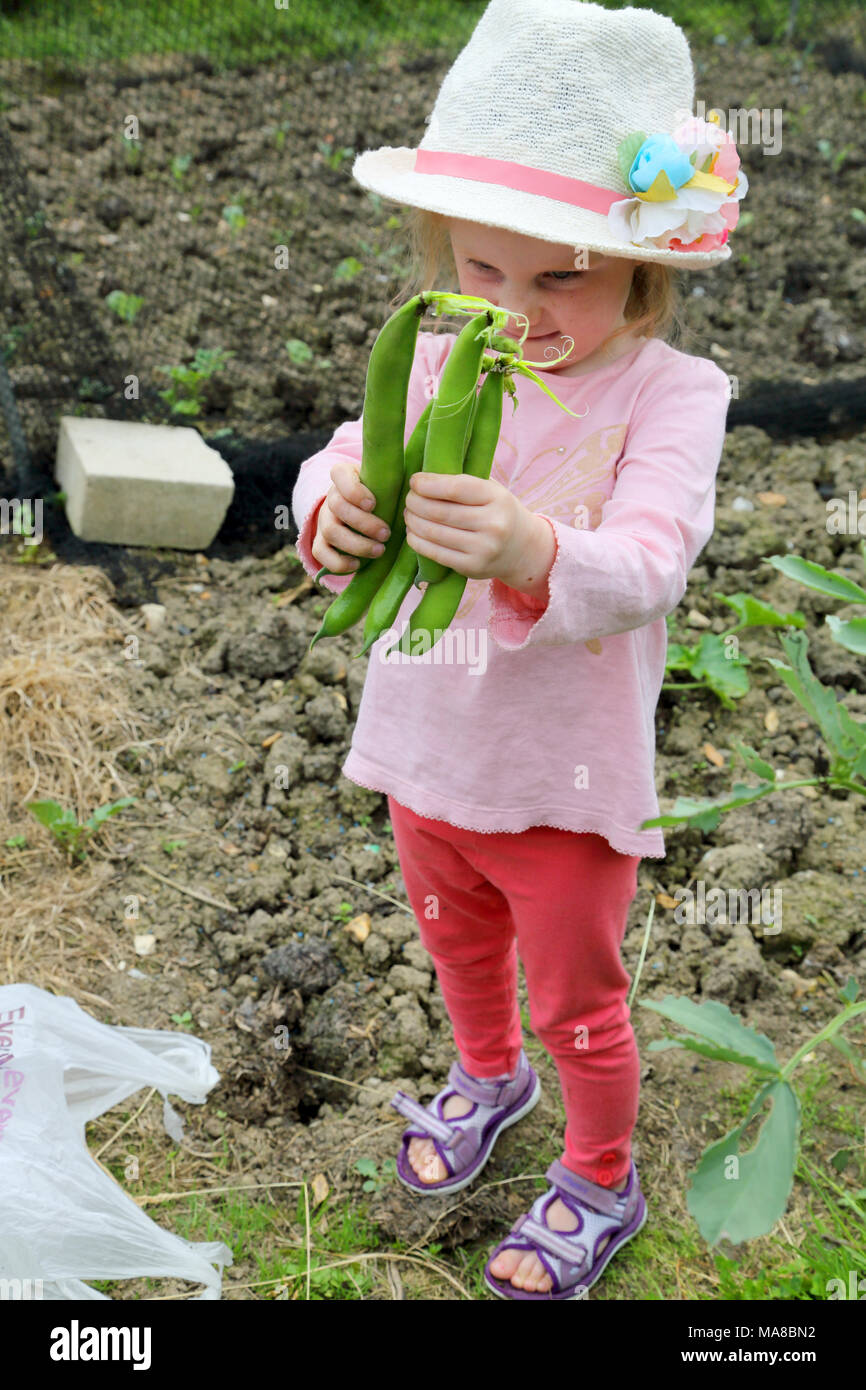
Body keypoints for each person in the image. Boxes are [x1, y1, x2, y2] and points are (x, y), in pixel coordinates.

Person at [290, 0, 748, 1301]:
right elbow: (335, 463)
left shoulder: (672, 395)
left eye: (563, 275)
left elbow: (650, 559)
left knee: (580, 1002)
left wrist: (529, 546)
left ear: (646, 267)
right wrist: (335, 510)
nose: (518, 309)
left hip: (561, 784)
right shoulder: (433, 357)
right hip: (426, 752)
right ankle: (487, 1079)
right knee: (457, 949)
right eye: (484, 271)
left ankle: (600, 1173)